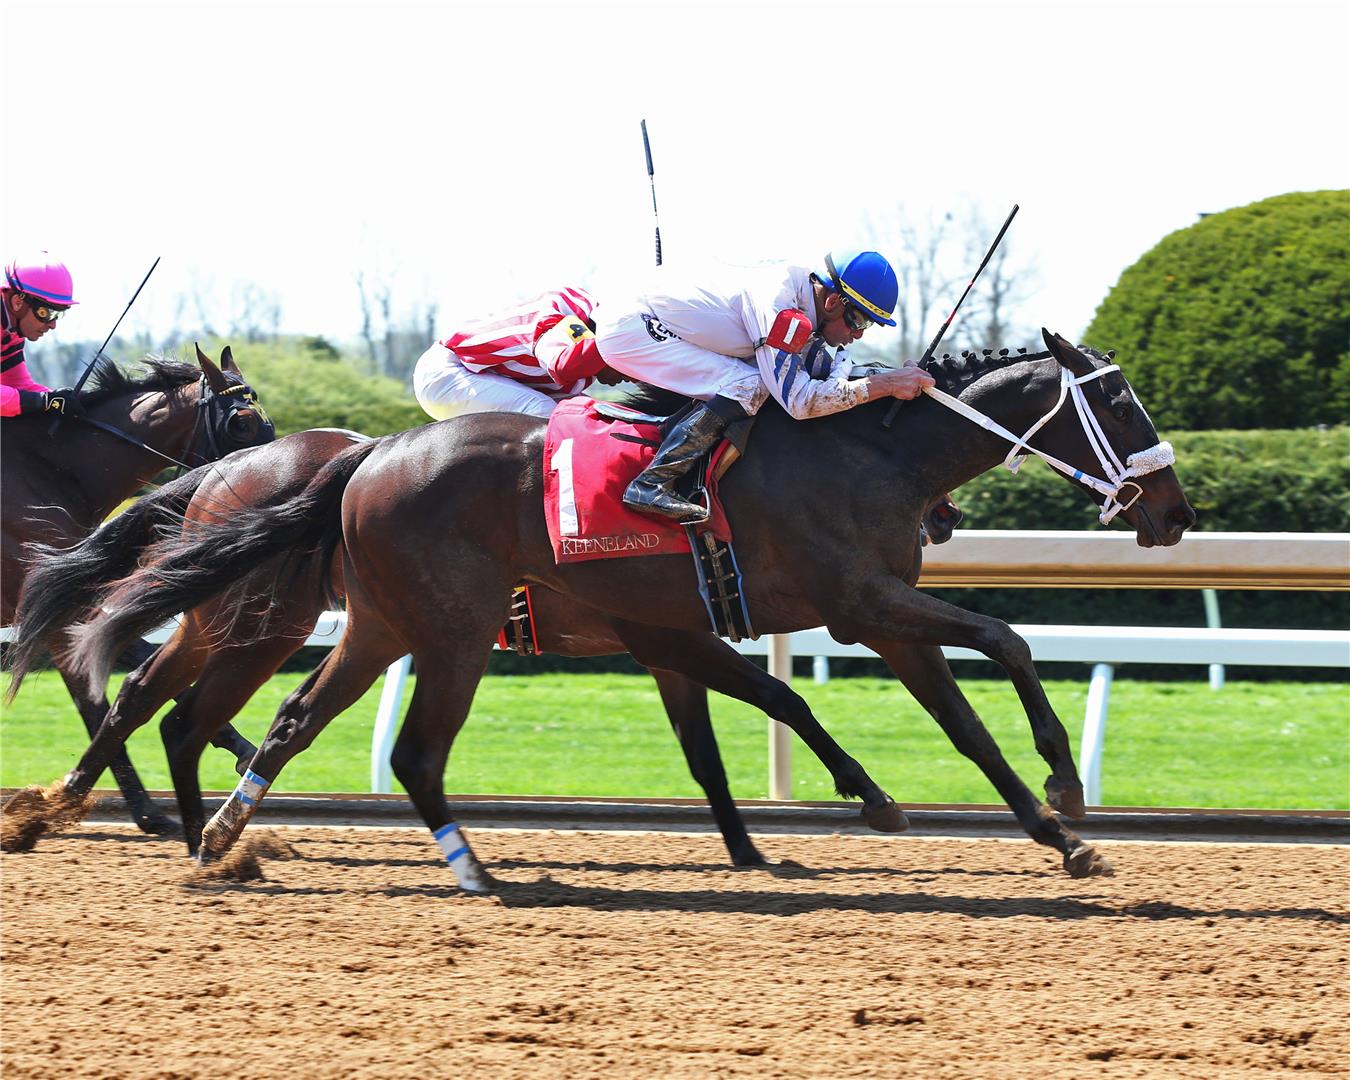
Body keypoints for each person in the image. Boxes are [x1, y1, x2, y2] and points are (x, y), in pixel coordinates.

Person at [592, 250, 935, 522]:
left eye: (867, 326)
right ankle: (652, 483)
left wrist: (892, 376)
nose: (858, 334)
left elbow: (825, 373)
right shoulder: (778, 306)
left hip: (661, 318)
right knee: (750, 386)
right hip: (633, 328)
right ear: (833, 301)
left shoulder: (805, 303)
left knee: (751, 383)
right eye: (858, 320)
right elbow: (801, 403)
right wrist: (885, 384)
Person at [412, 285, 622, 421]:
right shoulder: (570, 318)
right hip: (448, 372)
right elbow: (563, 367)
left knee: (588, 417)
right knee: (545, 415)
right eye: (632, 367)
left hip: (478, 375)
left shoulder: (586, 332)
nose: (627, 378)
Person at [1, 253, 85, 419]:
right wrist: (44, 402)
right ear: (18, 302)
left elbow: (19, 385)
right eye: (46, 313)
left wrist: (61, 399)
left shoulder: (12, 333)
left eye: (58, 315)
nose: (52, 325)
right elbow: (34, 400)